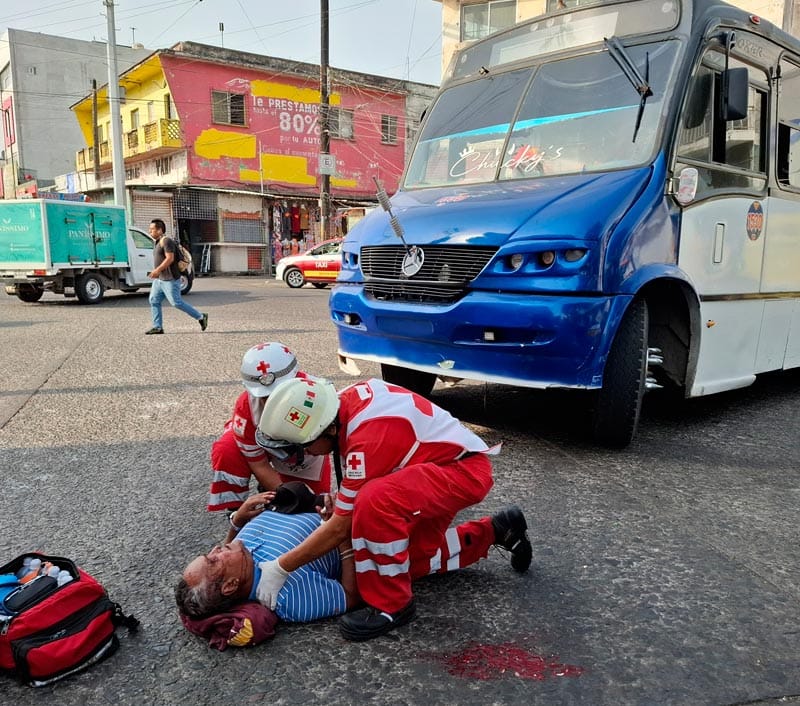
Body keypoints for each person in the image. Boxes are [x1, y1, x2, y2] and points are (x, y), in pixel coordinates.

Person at [252, 376, 533, 642]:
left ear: (328, 430)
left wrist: (281, 566)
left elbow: (341, 526)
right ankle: (496, 530)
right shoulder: (340, 408)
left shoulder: (366, 435)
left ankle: (392, 606)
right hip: (441, 465)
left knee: (374, 503)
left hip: (461, 471)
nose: (305, 455)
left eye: (300, 447)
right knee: (404, 563)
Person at [177, 490, 358, 623]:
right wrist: (339, 533)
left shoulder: (238, 555)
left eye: (208, 553)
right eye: (212, 560)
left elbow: (227, 549)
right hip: (351, 513)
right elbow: (351, 597)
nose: (216, 548)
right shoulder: (289, 598)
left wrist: (237, 521)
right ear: (231, 585)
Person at [207, 342, 332, 512]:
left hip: (302, 455)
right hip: (259, 445)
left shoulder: (321, 395)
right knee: (227, 449)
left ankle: (274, 491)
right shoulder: (246, 407)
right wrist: (287, 495)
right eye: (266, 396)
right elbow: (259, 464)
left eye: (280, 393)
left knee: (314, 508)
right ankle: (235, 509)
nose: (273, 402)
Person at [145, 218, 208, 335]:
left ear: (159, 230)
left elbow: (170, 258)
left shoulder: (166, 241)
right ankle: (157, 327)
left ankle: (201, 316)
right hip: (160, 280)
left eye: (152, 229)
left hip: (170, 278)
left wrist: (157, 270)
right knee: (154, 300)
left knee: (176, 303)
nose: (150, 232)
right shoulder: (158, 242)